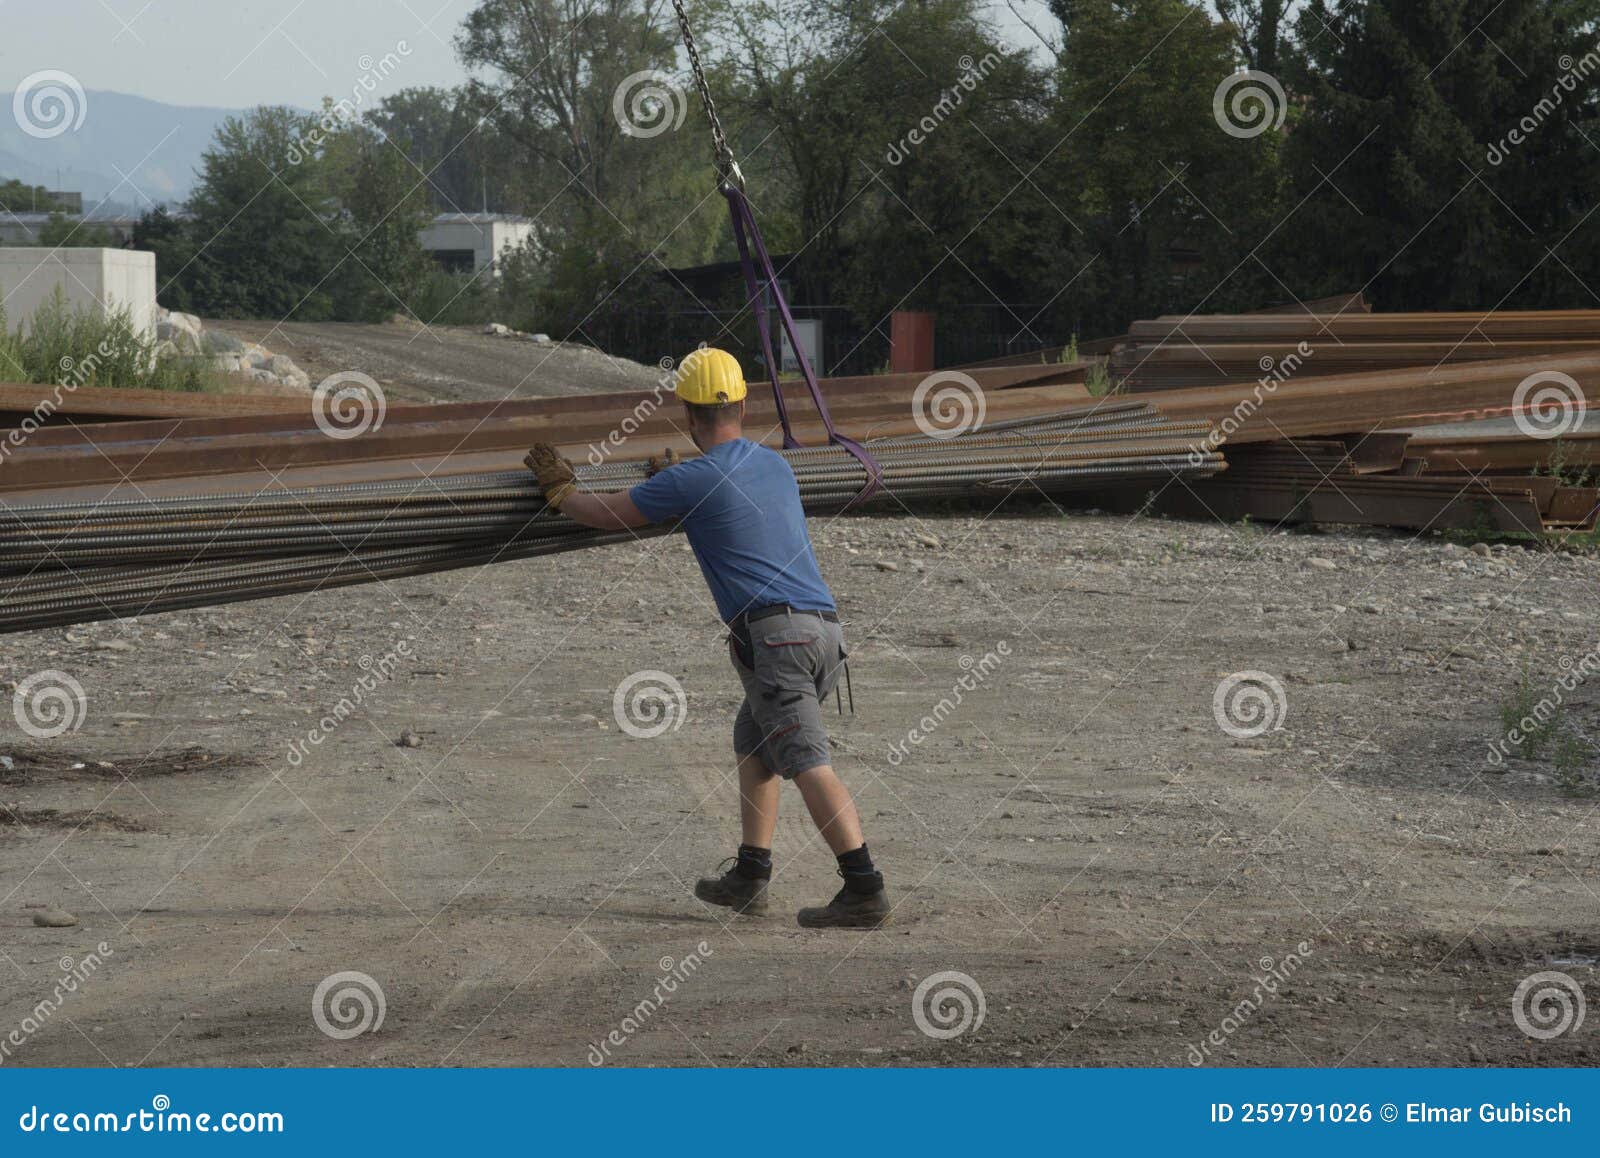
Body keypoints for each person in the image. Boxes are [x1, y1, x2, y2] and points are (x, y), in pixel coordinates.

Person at [524, 347, 889, 928]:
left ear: (687, 413)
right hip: (822, 634)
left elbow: (609, 513)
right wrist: (670, 483)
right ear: (743, 404)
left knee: (805, 761)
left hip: (776, 641)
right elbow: (727, 502)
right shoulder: (774, 466)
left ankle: (864, 886)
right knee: (755, 744)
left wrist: (562, 493)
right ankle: (749, 874)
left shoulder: (691, 479)